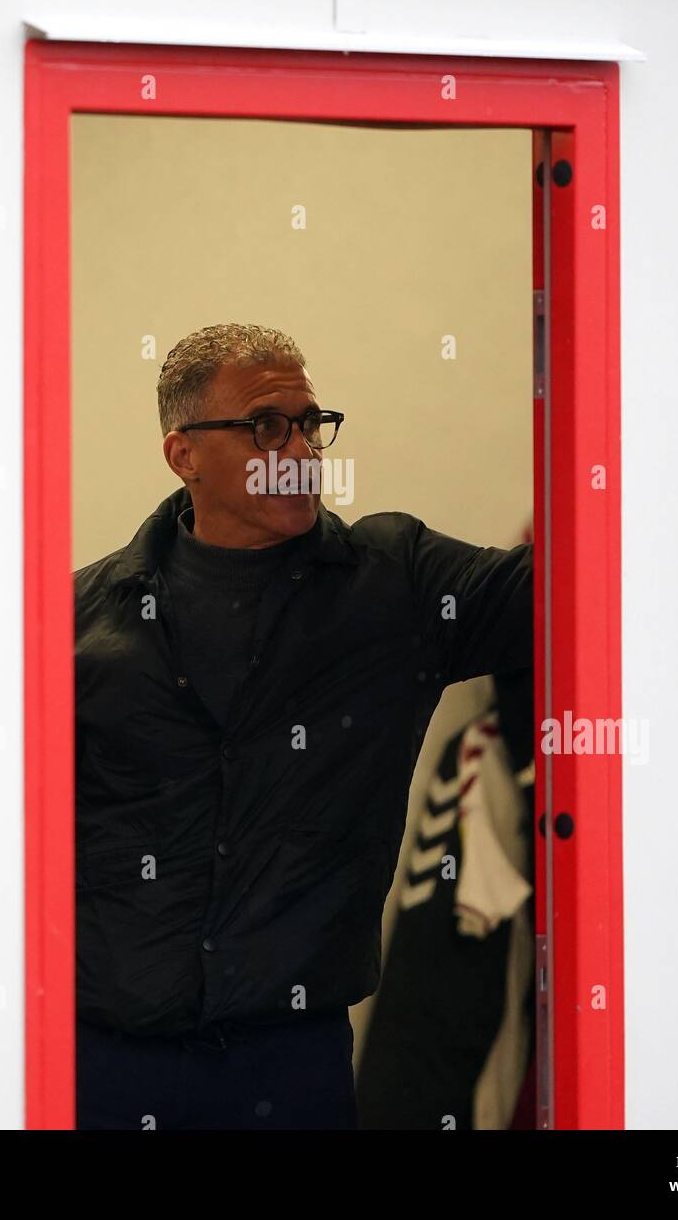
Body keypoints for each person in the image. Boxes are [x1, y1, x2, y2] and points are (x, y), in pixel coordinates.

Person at [74, 323, 533, 1129]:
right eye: (264, 427)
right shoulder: (79, 620)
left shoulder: (395, 586)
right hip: (103, 1063)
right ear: (183, 455)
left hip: (289, 1068)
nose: (298, 450)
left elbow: (575, 593)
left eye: (309, 424)